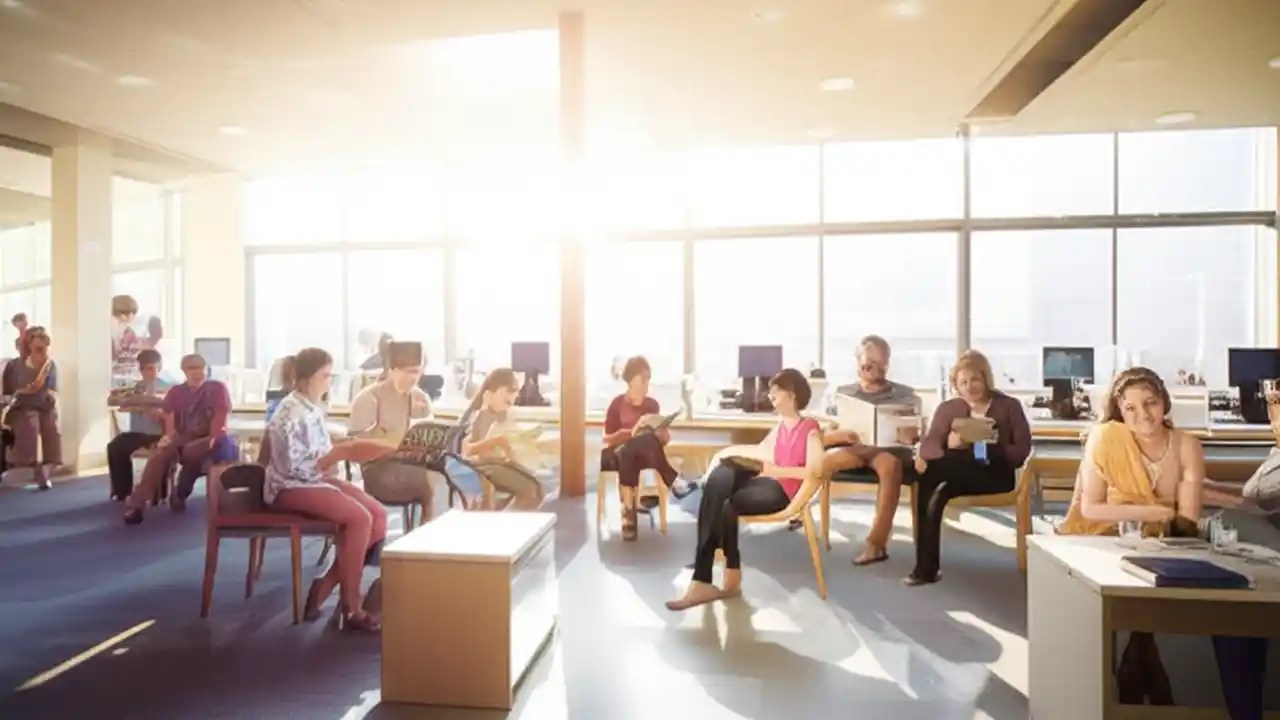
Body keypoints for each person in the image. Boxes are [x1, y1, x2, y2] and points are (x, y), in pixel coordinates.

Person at [1060, 367, 1267, 716]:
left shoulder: (1186, 445)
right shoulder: (1107, 440)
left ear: (1164, 402)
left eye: (1150, 403)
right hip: (1107, 537)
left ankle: (1140, 660)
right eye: (1130, 408)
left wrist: (1164, 521)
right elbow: (1091, 508)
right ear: (1119, 411)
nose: (1142, 414)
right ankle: (1140, 668)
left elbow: (1186, 519)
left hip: (1170, 540)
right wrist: (1155, 511)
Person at [667, 368, 823, 611]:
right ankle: (704, 580)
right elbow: (759, 452)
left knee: (726, 503)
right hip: (767, 481)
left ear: (791, 395)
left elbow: (814, 472)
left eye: (776, 391)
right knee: (722, 476)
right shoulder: (780, 427)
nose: (770, 395)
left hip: (784, 492)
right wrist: (726, 455)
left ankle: (714, 576)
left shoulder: (810, 428)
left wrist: (773, 469)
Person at [265, 347, 392, 632]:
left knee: (378, 516)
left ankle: (326, 585)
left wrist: (347, 450)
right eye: (325, 376)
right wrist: (342, 453)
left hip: (312, 478)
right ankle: (352, 606)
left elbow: (318, 458)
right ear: (306, 378)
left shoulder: (311, 408)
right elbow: (296, 469)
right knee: (359, 519)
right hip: (289, 486)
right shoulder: (291, 412)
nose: (329, 382)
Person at [907, 349, 1031, 586]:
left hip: (995, 473)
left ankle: (924, 570)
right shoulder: (949, 408)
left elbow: (1021, 451)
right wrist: (949, 442)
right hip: (957, 470)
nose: (969, 387)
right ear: (956, 384)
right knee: (934, 488)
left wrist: (992, 443)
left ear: (985, 379)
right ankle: (926, 569)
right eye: (963, 382)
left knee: (931, 475)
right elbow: (930, 446)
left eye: (975, 380)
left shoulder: (1009, 406)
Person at [821, 335, 921, 565]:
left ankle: (876, 545)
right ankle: (795, 507)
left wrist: (909, 433)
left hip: (888, 451)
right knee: (820, 462)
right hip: (854, 448)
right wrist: (838, 434)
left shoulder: (904, 394)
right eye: (868, 365)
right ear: (858, 363)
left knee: (891, 466)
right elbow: (829, 427)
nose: (874, 371)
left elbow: (915, 432)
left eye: (880, 365)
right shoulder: (843, 393)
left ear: (887, 363)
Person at [123, 354, 238, 523]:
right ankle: (138, 504)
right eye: (192, 368)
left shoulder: (216, 388)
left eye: (200, 368)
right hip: (184, 439)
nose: (197, 372)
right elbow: (170, 420)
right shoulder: (177, 392)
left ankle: (180, 492)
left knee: (192, 450)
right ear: (184, 371)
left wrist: (211, 439)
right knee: (159, 455)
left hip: (212, 438)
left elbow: (219, 423)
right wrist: (167, 440)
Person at [601, 355, 694, 541]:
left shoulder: (652, 404)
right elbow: (607, 438)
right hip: (617, 454)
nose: (646, 382)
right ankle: (672, 479)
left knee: (646, 441)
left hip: (643, 454)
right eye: (642, 378)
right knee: (628, 449)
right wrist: (628, 434)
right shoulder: (617, 404)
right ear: (630, 379)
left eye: (648, 378)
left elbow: (659, 442)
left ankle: (628, 512)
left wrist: (662, 435)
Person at [349, 341, 438, 520]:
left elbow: (430, 432)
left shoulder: (419, 397)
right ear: (393, 370)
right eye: (409, 372)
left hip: (411, 463)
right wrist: (391, 447)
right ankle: (427, 527)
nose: (414, 378)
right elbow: (355, 447)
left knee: (440, 472)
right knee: (431, 478)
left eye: (417, 371)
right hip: (378, 468)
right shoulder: (370, 397)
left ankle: (427, 528)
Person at [458, 368, 544, 511]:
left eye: (516, 391)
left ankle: (502, 514)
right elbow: (468, 450)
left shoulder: (502, 415)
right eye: (510, 390)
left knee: (535, 487)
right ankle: (503, 517)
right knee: (531, 489)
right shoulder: (480, 414)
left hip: (495, 463)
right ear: (490, 392)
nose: (514, 395)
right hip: (478, 466)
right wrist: (497, 442)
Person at [106, 349, 172, 500]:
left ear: (159, 367)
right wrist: (134, 401)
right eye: (143, 369)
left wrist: (149, 402)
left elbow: (170, 405)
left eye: (151, 368)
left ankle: (159, 492)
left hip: (159, 434)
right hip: (138, 433)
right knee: (115, 447)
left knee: (161, 451)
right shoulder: (135, 388)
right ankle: (122, 491)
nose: (148, 372)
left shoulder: (169, 387)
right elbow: (112, 400)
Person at [1, 327, 59, 489]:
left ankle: (45, 468)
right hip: (20, 407)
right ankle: (33, 466)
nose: (43, 353)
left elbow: (51, 390)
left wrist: (49, 397)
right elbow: (8, 393)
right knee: (30, 424)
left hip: (44, 406)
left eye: (45, 349)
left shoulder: (49, 366)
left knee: (52, 428)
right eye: (39, 349)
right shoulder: (13, 366)